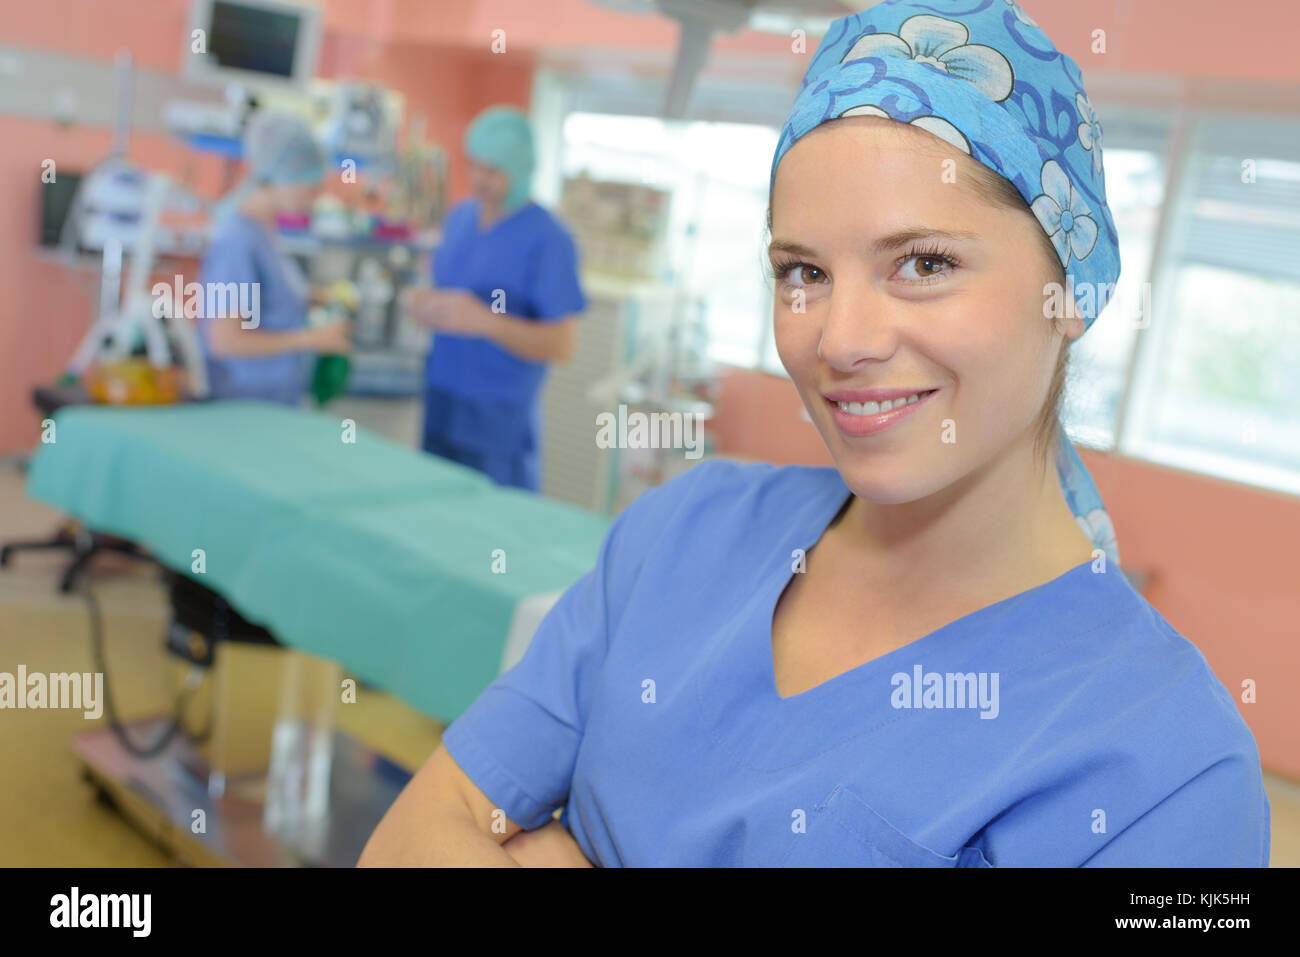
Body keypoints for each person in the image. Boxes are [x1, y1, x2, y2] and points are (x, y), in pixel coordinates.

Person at [359, 1, 1270, 867]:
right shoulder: (684, 534)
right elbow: (407, 842)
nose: (840, 339)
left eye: (924, 263)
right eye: (802, 270)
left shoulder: (1173, 770)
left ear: (1070, 288)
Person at [405, 106, 585, 491]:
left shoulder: (549, 238)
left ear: (521, 170)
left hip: (497, 414)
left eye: (494, 171)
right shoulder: (459, 219)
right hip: (441, 395)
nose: (479, 179)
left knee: (493, 533)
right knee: (431, 513)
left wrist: (487, 322)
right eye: (475, 166)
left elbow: (562, 344)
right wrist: (424, 304)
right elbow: (442, 287)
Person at [198, 111, 352, 405]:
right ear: (279, 176)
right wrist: (311, 339)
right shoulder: (238, 241)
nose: (315, 198)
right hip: (245, 403)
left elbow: (261, 299)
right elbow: (224, 340)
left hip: (275, 398)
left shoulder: (264, 231)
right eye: (310, 188)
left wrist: (307, 298)